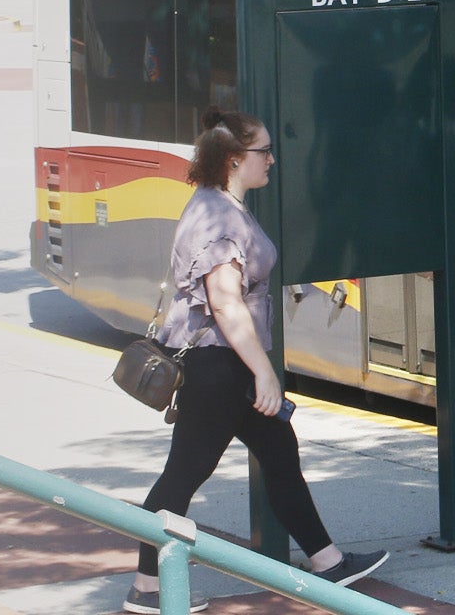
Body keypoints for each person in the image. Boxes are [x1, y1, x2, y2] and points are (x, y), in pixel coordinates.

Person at [124, 110, 387, 615]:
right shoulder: (218, 220)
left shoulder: (219, 205)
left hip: (227, 364)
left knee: (279, 453)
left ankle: (329, 562)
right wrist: (263, 371)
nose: (272, 159)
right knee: (184, 474)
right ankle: (146, 589)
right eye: (263, 151)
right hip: (218, 365)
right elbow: (225, 303)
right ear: (232, 160)